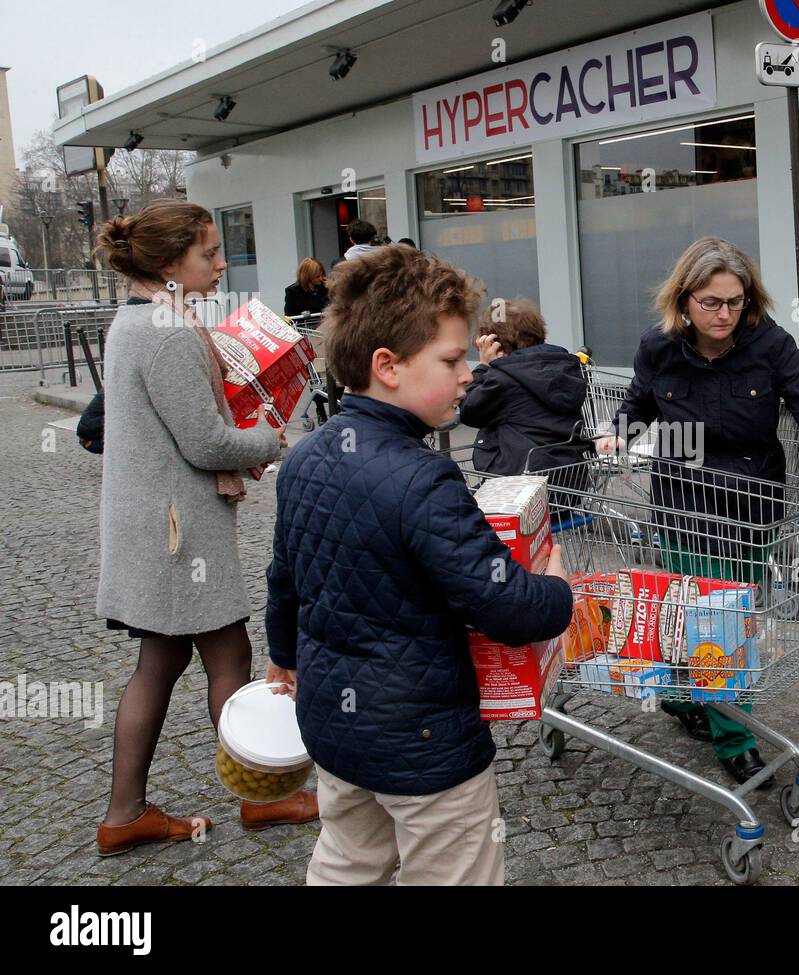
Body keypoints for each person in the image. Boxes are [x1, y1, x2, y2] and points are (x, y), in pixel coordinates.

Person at [263, 246, 573, 885]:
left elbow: (284, 578)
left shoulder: (305, 457)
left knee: (347, 863)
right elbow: (504, 605)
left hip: (336, 725)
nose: (468, 376)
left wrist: (284, 656)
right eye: (453, 360)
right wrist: (560, 590)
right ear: (388, 366)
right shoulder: (424, 478)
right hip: (424, 742)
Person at [93, 200, 317, 857]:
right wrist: (269, 439)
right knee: (228, 654)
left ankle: (124, 812)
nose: (222, 264)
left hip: (158, 527)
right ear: (169, 264)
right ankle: (260, 796)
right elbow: (205, 441)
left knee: (159, 660)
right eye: (208, 253)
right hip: (177, 532)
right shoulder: (165, 328)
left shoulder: (146, 317)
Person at [598, 237, 799, 786]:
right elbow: (638, 405)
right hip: (682, 503)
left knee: (727, 622)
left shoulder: (771, 345)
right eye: (711, 302)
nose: (724, 314)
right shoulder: (658, 346)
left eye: (735, 302)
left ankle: (710, 716)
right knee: (699, 616)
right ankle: (725, 730)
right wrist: (616, 436)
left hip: (748, 505)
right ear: (685, 300)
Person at [459, 299, 588, 498]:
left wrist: (484, 366)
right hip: (568, 489)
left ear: (493, 344)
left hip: (520, 493)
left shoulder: (503, 379)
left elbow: (469, 410)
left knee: (458, 503)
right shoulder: (564, 368)